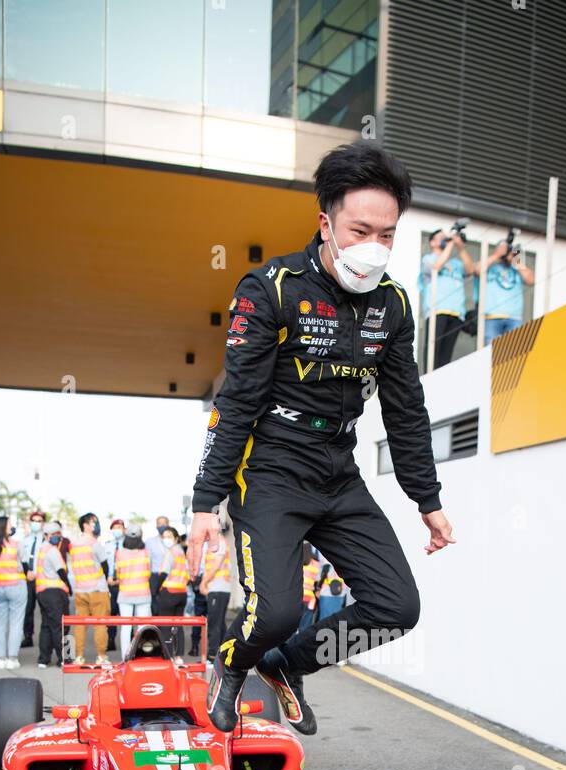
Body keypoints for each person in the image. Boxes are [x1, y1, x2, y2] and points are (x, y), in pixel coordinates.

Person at [188, 138, 455, 734]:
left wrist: (427, 501)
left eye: (387, 235)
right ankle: (233, 665)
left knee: (396, 608)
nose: (375, 246)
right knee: (275, 612)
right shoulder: (271, 289)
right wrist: (206, 501)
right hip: (272, 468)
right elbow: (236, 403)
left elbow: (405, 408)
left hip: (338, 467)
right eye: (361, 230)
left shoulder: (394, 305)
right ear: (326, 223)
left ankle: (288, 666)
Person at [419, 226, 477, 370]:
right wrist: (450, 244)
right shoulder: (428, 259)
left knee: (445, 357)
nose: (445, 238)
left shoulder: (455, 263)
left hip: (457, 312)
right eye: (441, 236)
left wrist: (461, 248)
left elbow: (470, 270)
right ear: (432, 242)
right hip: (437, 311)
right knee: (432, 355)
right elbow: (436, 267)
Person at [115, 522, 162, 658]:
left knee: (126, 627)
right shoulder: (146, 554)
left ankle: (125, 657)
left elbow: (118, 574)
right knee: (142, 627)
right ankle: (141, 655)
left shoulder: (119, 554)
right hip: (143, 593)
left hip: (125, 594)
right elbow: (149, 573)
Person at [71, 511, 111, 665]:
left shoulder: (74, 544)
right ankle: (101, 656)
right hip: (97, 589)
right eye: (93, 522)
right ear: (85, 526)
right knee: (100, 624)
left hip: (80, 589)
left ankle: (79, 656)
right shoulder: (94, 543)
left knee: (80, 625)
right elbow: (105, 565)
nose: (96, 525)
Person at [0, 515, 27, 668]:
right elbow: (23, 564)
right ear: (3, 528)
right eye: (9, 525)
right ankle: (12, 658)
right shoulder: (16, 544)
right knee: (16, 623)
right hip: (16, 586)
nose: (11, 527)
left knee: (0, 624)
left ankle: (1, 659)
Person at [483, 239, 535, 341]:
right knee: (490, 352)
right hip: (492, 317)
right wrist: (497, 255)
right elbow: (476, 270)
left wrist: (516, 260)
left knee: (513, 353)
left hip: (514, 318)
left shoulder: (516, 269)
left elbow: (531, 280)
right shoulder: (491, 267)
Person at [35, 520, 71, 668]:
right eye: (53, 534)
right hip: (54, 592)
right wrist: (69, 587)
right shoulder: (52, 550)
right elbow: (61, 571)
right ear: (46, 535)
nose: (56, 537)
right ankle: (63, 659)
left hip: (42, 592)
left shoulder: (42, 549)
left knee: (46, 626)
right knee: (59, 626)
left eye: (58, 534)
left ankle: (44, 659)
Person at [198, 520, 231, 664]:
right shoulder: (215, 542)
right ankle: (223, 655)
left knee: (214, 623)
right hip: (219, 588)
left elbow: (216, 565)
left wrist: (204, 582)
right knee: (220, 623)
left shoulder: (219, 542)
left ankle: (212, 655)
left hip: (218, 588)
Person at [156, 525, 188, 658]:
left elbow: (163, 573)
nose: (166, 539)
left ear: (176, 538)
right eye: (164, 537)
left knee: (165, 626)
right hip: (182, 592)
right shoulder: (181, 552)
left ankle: (167, 655)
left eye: (169, 536)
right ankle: (179, 656)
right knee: (178, 625)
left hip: (169, 592)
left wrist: (157, 588)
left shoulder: (170, 552)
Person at [19, 509, 46, 647]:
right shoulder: (25, 540)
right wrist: (27, 571)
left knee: (45, 609)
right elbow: (22, 559)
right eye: (34, 521)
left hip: (42, 579)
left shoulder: (46, 541)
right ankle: (28, 636)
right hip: (28, 578)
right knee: (28, 608)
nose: (36, 523)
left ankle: (46, 638)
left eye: (39, 521)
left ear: (43, 523)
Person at [104, 518, 124, 650]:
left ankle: (130, 640)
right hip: (111, 583)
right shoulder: (108, 545)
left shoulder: (129, 544)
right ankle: (111, 639)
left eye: (119, 527)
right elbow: (104, 564)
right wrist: (107, 578)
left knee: (126, 614)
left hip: (125, 584)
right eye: (114, 528)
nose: (117, 530)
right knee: (111, 612)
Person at [146, 515, 171, 611]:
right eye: (159, 523)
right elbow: (148, 561)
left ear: (168, 525)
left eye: (164, 523)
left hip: (170, 576)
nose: (161, 525)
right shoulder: (150, 541)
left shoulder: (173, 541)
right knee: (155, 605)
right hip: (155, 576)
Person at [298, 543, 322, 630]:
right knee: (304, 628)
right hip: (310, 599)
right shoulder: (317, 564)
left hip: (299, 597)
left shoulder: (299, 564)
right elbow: (317, 583)